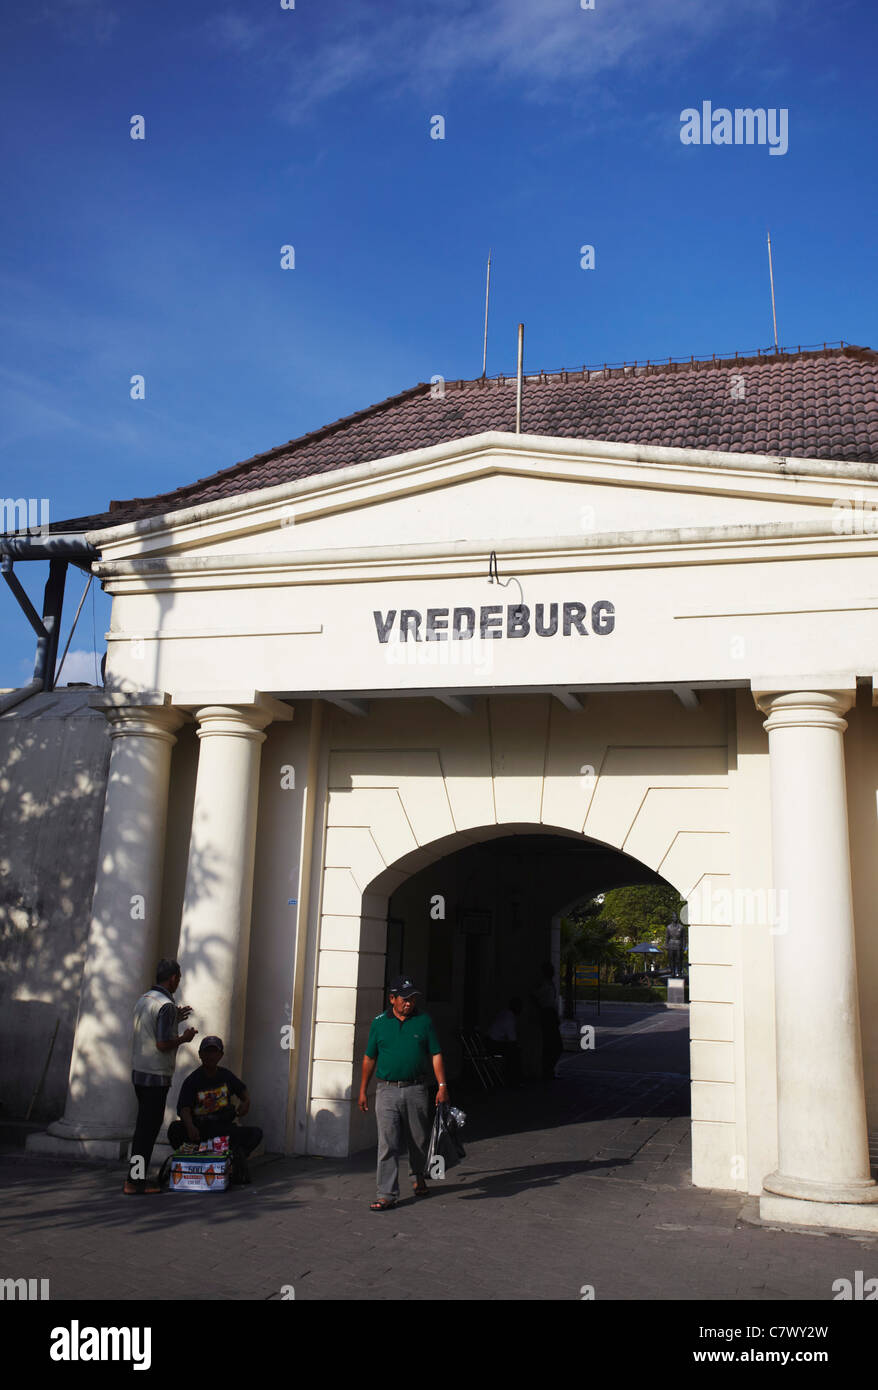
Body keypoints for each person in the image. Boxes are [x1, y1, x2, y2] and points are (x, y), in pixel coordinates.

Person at [358, 976, 448, 1211]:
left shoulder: (423, 1021)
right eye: (404, 999)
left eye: (412, 999)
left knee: (418, 1139)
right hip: (386, 1090)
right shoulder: (379, 1023)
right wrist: (363, 1090)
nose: (409, 1003)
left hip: (416, 1089)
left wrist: (442, 1086)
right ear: (392, 999)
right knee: (387, 1143)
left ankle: (418, 1176)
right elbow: (369, 1058)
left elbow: (435, 1054)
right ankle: (386, 1193)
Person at [125, 958, 196, 1195]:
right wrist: (184, 1038)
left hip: (140, 1072)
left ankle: (135, 1178)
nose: (178, 982)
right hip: (156, 1076)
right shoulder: (165, 1005)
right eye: (179, 978)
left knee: (142, 1129)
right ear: (173, 978)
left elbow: (151, 1027)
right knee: (147, 1132)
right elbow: (163, 1043)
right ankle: (135, 1181)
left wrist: (176, 1018)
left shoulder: (146, 999)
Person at [168, 1036, 263, 1185]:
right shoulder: (192, 1080)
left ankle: (232, 1161)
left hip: (223, 1130)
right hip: (200, 1131)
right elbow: (184, 1108)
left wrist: (246, 1102)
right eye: (207, 1052)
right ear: (200, 1054)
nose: (210, 1056)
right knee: (174, 1129)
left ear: (220, 1055)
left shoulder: (226, 1075)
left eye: (214, 1052)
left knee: (255, 1133)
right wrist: (190, 1126)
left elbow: (243, 1091)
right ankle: (197, 1156)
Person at [533, 962, 563, 1081]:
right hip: (547, 1014)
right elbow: (534, 995)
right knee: (554, 1046)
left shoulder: (550, 984)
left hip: (551, 1014)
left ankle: (548, 1071)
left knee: (552, 1045)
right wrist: (540, 1007)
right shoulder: (545, 984)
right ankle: (547, 1071)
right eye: (551, 970)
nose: (554, 972)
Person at [487, 997, 523, 1085]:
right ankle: (514, 1080)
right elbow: (513, 1040)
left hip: (490, 1041)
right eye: (520, 1007)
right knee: (515, 1052)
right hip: (493, 1044)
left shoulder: (504, 1013)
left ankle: (510, 1078)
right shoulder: (509, 1019)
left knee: (513, 1051)